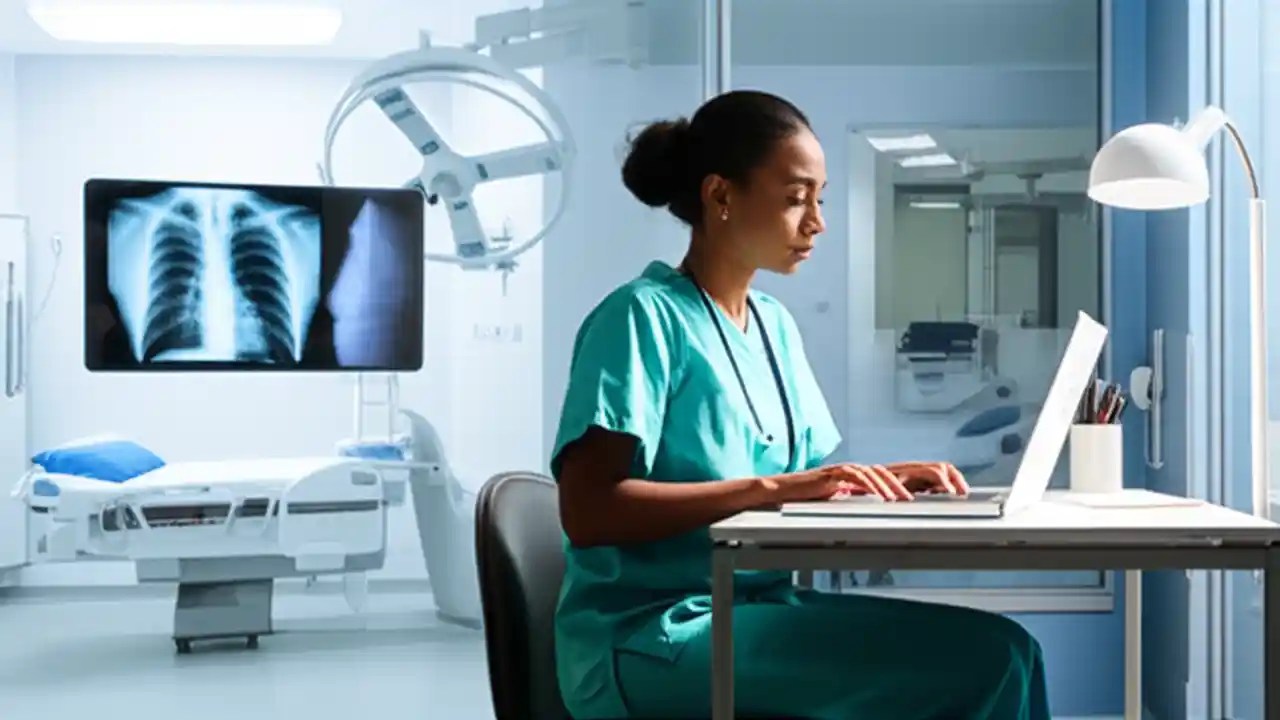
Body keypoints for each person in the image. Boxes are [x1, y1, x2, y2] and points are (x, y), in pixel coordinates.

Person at [549, 90, 1050, 720]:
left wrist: (878, 480)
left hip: (758, 608)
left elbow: (802, 487)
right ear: (720, 196)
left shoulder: (774, 325)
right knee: (984, 664)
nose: (816, 221)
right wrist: (764, 487)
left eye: (820, 198)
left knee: (1013, 650)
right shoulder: (639, 318)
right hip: (652, 635)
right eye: (795, 198)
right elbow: (589, 511)